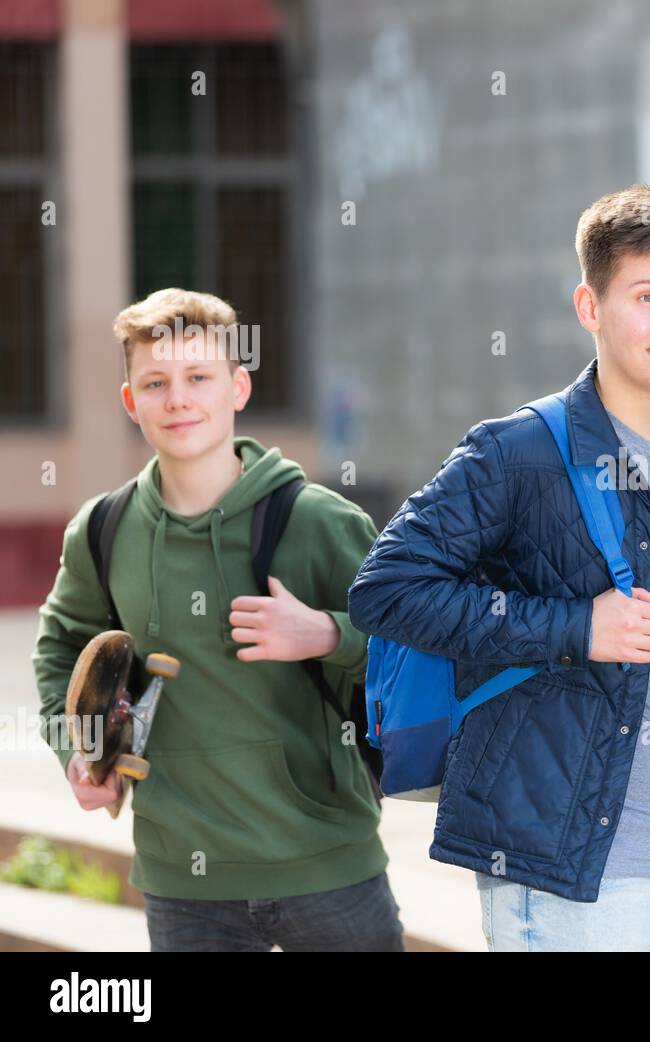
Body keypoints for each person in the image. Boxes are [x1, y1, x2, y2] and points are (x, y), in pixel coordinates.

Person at [349, 185, 650, 952]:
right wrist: (578, 627)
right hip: (556, 880)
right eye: (648, 297)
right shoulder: (515, 453)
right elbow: (385, 590)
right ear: (590, 306)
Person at [34, 288, 404, 952]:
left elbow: (415, 649)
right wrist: (78, 749)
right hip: (184, 888)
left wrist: (326, 634)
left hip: (329, 871)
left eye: (198, 377)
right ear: (131, 402)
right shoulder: (102, 531)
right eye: (156, 382)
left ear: (237, 387)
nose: (178, 399)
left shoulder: (320, 523)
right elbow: (59, 650)